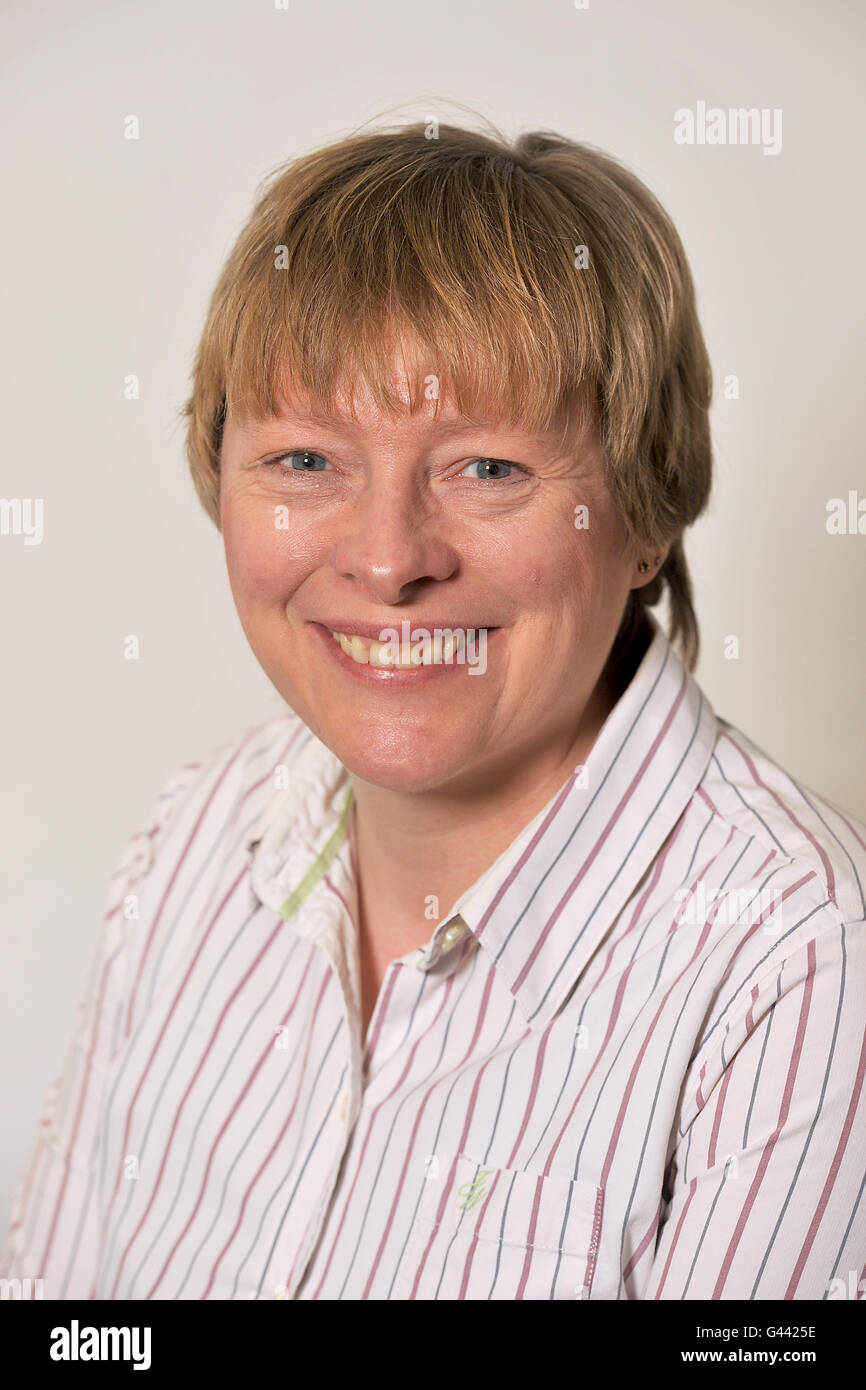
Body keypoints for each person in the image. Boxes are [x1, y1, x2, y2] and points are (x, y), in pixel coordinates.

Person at [3, 120, 865, 1301]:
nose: (389, 558)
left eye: (488, 468)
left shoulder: (797, 965)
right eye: (306, 460)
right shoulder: (196, 841)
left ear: (648, 509)